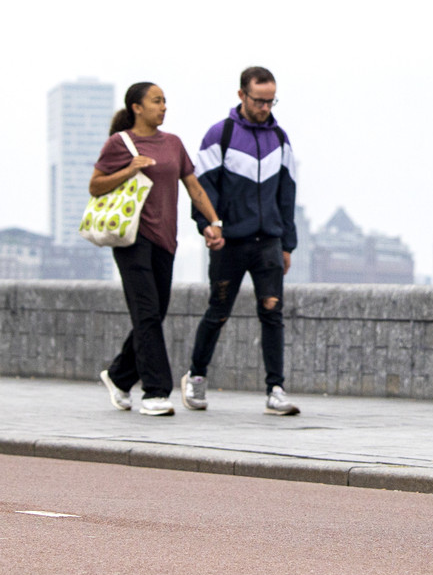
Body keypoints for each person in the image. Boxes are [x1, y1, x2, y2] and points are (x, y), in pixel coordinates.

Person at [93, 82, 224, 416]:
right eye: (156, 101)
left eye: (165, 101)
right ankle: (155, 392)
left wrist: (214, 222)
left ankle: (120, 377)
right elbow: (95, 186)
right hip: (133, 241)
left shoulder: (173, 144)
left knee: (154, 313)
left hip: (166, 240)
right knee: (148, 314)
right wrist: (129, 169)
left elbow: (193, 186)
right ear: (137, 107)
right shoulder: (120, 143)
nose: (163, 107)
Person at [182, 66, 300, 415]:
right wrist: (208, 225)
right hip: (229, 241)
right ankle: (197, 377)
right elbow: (202, 186)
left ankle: (275, 389)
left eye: (270, 101)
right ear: (241, 96)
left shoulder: (280, 139)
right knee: (218, 311)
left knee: (272, 313)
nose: (265, 107)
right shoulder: (220, 135)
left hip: (269, 243)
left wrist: (287, 244)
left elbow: (288, 194)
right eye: (259, 100)